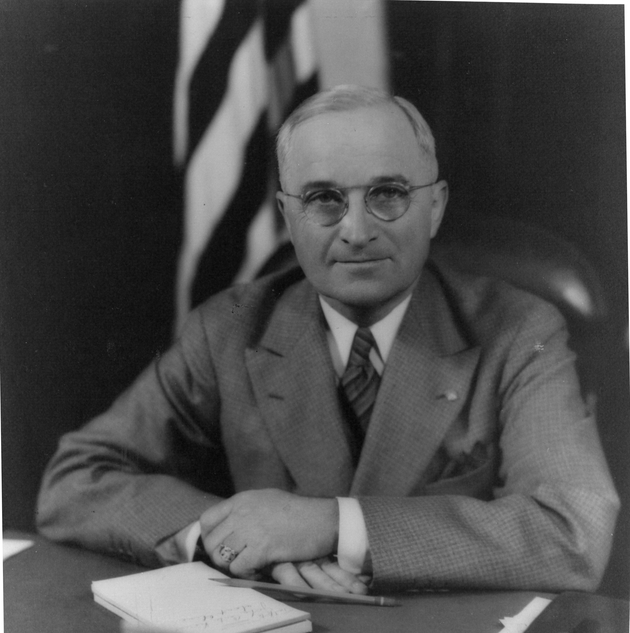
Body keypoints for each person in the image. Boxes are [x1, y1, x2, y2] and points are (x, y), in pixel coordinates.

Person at [37, 85, 619, 595]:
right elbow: (77, 477)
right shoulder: (231, 327)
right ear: (288, 217)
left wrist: (331, 526)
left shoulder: (520, 332)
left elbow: (572, 529)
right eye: (323, 199)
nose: (358, 230)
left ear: (435, 207)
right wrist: (234, 537)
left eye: (388, 193)